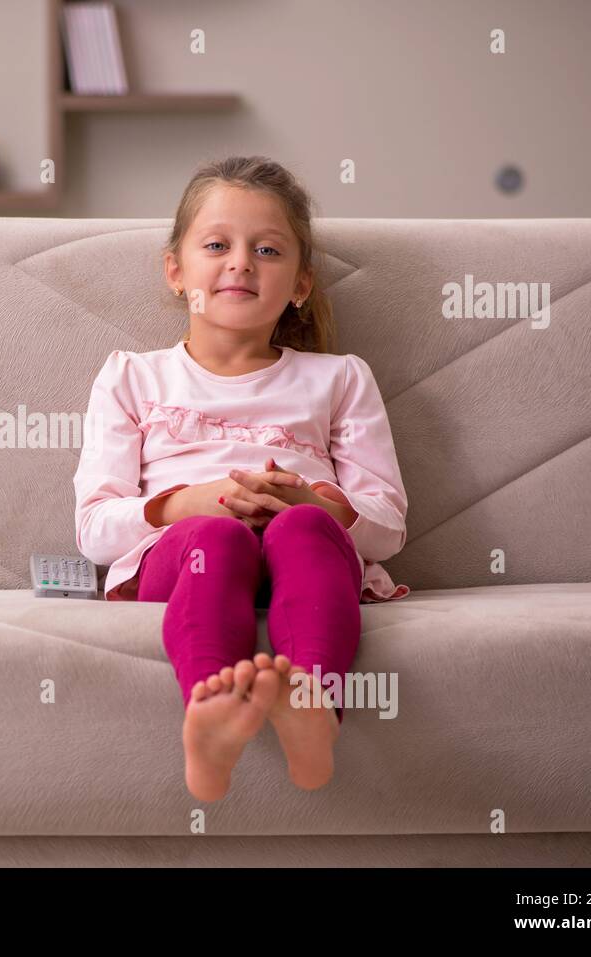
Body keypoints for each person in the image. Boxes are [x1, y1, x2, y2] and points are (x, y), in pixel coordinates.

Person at [73, 156, 410, 801]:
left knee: (307, 526)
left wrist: (309, 501)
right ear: (176, 270)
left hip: (305, 545)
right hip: (188, 552)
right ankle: (210, 714)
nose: (241, 263)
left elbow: (388, 525)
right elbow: (94, 530)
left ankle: (312, 709)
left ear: (301, 283)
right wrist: (187, 505)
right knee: (216, 538)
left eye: (267, 249)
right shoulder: (132, 377)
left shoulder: (339, 378)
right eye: (217, 245)